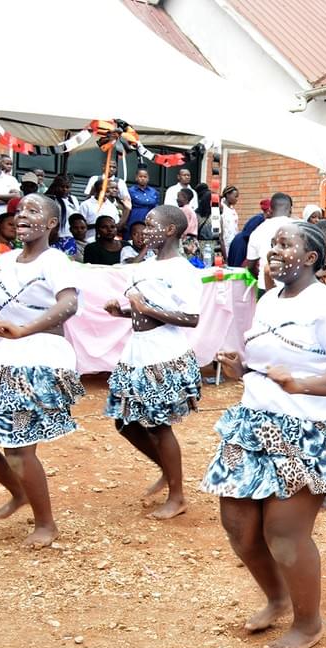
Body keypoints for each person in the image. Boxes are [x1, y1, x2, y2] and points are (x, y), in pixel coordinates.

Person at [201, 221, 326, 648]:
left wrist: (303, 385)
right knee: (238, 527)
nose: (274, 252)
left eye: (284, 245)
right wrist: (241, 368)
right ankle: (277, 597)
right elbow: (267, 362)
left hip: (308, 433)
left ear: (311, 257)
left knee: (284, 532)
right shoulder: (268, 301)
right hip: (254, 425)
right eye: (272, 245)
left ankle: (308, 623)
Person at [0, 194, 83, 548]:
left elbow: (69, 303)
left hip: (44, 355)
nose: (22, 216)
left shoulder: (55, 260)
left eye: (34, 211)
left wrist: (25, 329)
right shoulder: (4, 261)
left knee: (18, 447)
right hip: (9, 355)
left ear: (50, 224)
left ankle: (46, 523)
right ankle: (19, 492)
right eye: (19, 211)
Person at [103, 206, 203, 520]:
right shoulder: (145, 265)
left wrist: (145, 307)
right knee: (125, 421)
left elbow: (191, 317)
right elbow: (142, 310)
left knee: (159, 427)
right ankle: (166, 469)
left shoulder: (181, 269)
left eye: (151, 224)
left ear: (171, 229)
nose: (145, 230)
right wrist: (122, 312)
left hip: (163, 354)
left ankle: (177, 496)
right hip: (138, 352)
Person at [245, 192, 295, 290]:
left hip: (265, 288)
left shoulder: (257, 231)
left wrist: (265, 277)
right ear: (290, 210)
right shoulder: (300, 227)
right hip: (294, 289)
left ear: (270, 210)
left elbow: (250, 267)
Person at [228, 198, 269, 267]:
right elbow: (249, 234)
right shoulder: (261, 219)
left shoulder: (258, 217)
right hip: (243, 243)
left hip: (239, 241)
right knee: (238, 268)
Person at [219, 186, 240, 254]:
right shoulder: (221, 208)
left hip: (234, 242)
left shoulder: (232, 209)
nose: (237, 199)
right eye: (235, 196)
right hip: (224, 243)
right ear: (228, 195)